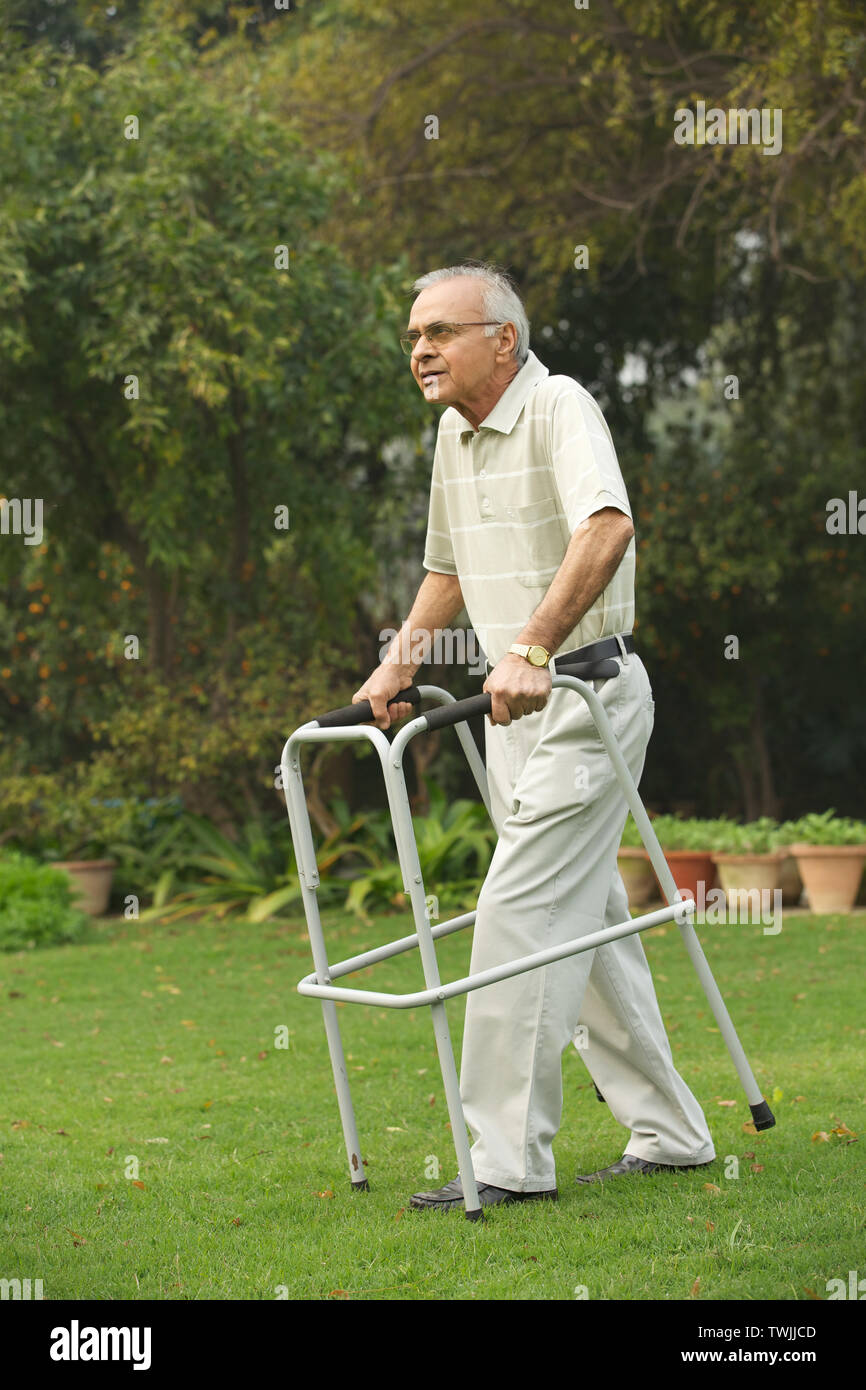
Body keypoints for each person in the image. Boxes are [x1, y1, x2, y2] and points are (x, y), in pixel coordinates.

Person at [352, 261, 714, 1212]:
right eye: (413, 337)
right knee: (584, 924)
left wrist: (533, 645)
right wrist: (399, 661)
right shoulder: (450, 433)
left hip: (586, 699)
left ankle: (506, 1161)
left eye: (441, 332)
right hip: (510, 712)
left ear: (502, 340)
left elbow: (607, 525)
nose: (421, 350)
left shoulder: (560, 406)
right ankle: (672, 1133)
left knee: (519, 912)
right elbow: (447, 567)